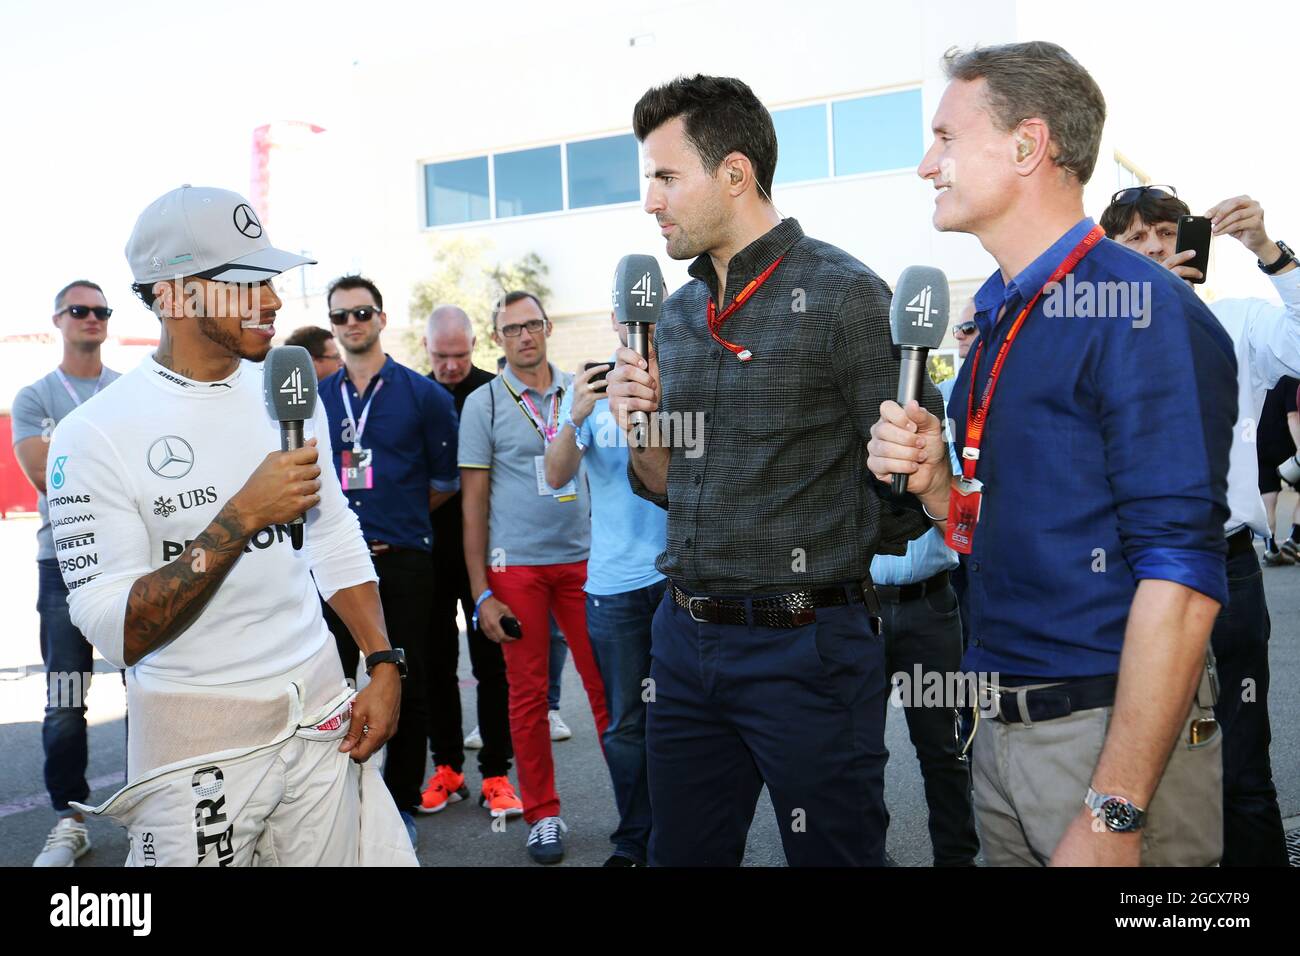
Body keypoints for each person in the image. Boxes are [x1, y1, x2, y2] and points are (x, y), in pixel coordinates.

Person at [869, 43, 1237, 866]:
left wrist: (1114, 811)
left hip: (1108, 743)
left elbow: (1181, 582)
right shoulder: (1001, 315)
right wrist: (935, 488)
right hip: (1002, 739)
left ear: (1029, 145)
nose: (927, 164)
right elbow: (1001, 530)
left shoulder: (1142, 311)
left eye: (946, 139)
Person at [607, 74, 943, 867]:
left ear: (734, 174)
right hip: (682, 642)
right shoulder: (676, 317)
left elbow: (903, 494)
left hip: (808, 650)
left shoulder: (849, 297)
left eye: (664, 177)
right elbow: (661, 486)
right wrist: (641, 428)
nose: (650, 202)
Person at [45, 185, 414, 866]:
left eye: (270, 279)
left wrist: (384, 662)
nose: (272, 300)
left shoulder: (287, 390)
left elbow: (332, 535)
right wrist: (242, 516)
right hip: (195, 748)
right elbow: (116, 630)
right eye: (246, 282)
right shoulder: (92, 434)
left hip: (322, 720)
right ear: (176, 294)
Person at [1101, 186, 1298, 865]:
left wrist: (1269, 253)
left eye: (1165, 231)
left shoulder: (1238, 321)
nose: (1156, 247)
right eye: (1135, 240)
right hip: (1123, 578)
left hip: (1226, 570)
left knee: (1241, 769)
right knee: (1135, 775)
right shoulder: (1092, 335)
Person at [458, 291, 610, 864]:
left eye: (533, 325)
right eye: (512, 329)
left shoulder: (582, 390)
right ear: (498, 339)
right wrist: (480, 594)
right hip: (515, 566)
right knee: (526, 696)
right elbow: (472, 507)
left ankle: (637, 810)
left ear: (547, 327)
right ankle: (543, 815)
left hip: (584, 562)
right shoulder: (484, 404)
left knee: (607, 690)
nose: (525, 336)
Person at [317, 276, 463, 845]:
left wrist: (393, 516)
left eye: (361, 312)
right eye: (341, 316)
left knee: (407, 681)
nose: (352, 323)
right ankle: (326, 805)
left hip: (402, 563)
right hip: (329, 569)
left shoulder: (423, 395)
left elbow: (445, 483)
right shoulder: (320, 398)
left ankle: (398, 804)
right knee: (326, 687)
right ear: (332, 326)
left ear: (381, 317)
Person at [545, 310, 669, 867]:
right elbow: (553, 476)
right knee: (626, 723)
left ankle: (685, 835)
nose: (637, 320)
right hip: (615, 588)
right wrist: (574, 417)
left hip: (679, 579)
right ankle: (635, 838)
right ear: (614, 319)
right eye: (627, 311)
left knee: (692, 718)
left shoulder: (683, 375)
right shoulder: (590, 386)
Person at [11, 280, 121, 867]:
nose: (92, 318)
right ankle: (69, 819)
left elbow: (143, 480)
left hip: (127, 563)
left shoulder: (130, 391)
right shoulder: (35, 396)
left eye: (102, 311)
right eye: (80, 310)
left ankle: (150, 814)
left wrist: (73, 457)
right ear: (58, 319)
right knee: (65, 698)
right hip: (63, 566)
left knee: (148, 690)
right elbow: (42, 476)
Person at [419, 304, 522, 818]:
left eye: (460, 355)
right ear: (425, 348)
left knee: (492, 665)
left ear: (475, 346)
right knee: (435, 665)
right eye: (442, 356)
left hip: (488, 553)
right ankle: (448, 768)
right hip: (431, 554)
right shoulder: (414, 395)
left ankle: (498, 775)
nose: (452, 366)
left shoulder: (497, 393)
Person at [1257, 376, 1300, 564]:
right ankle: (1294, 539)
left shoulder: (1258, 377)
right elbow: (1293, 416)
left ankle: (1270, 547)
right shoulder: (1290, 377)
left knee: (1268, 498)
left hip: (1259, 442)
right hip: (1285, 446)